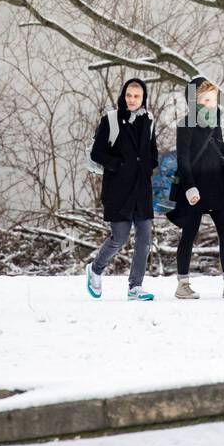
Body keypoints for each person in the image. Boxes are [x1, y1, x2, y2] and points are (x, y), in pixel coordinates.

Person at [168, 77, 224, 299]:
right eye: (206, 99)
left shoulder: (215, 119)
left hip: (217, 184)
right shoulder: (185, 124)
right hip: (195, 187)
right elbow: (183, 160)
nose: (211, 102)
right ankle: (183, 285)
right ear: (194, 100)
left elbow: (219, 147)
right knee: (189, 234)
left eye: (213, 98)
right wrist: (189, 187)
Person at [86, 78, 159, 301]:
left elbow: (152, 151)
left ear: (143, 98)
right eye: (129, 95)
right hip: (118, 189)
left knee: (144, 238)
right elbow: (96, 154)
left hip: (142, 189)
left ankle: (135, 287)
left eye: (137, 96)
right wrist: (119, 165)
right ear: (123, 96)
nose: (132, 99)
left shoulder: (149, 119)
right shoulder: (111, 120)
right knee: (119, 237)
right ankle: (95, 269)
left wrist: (149, 164)